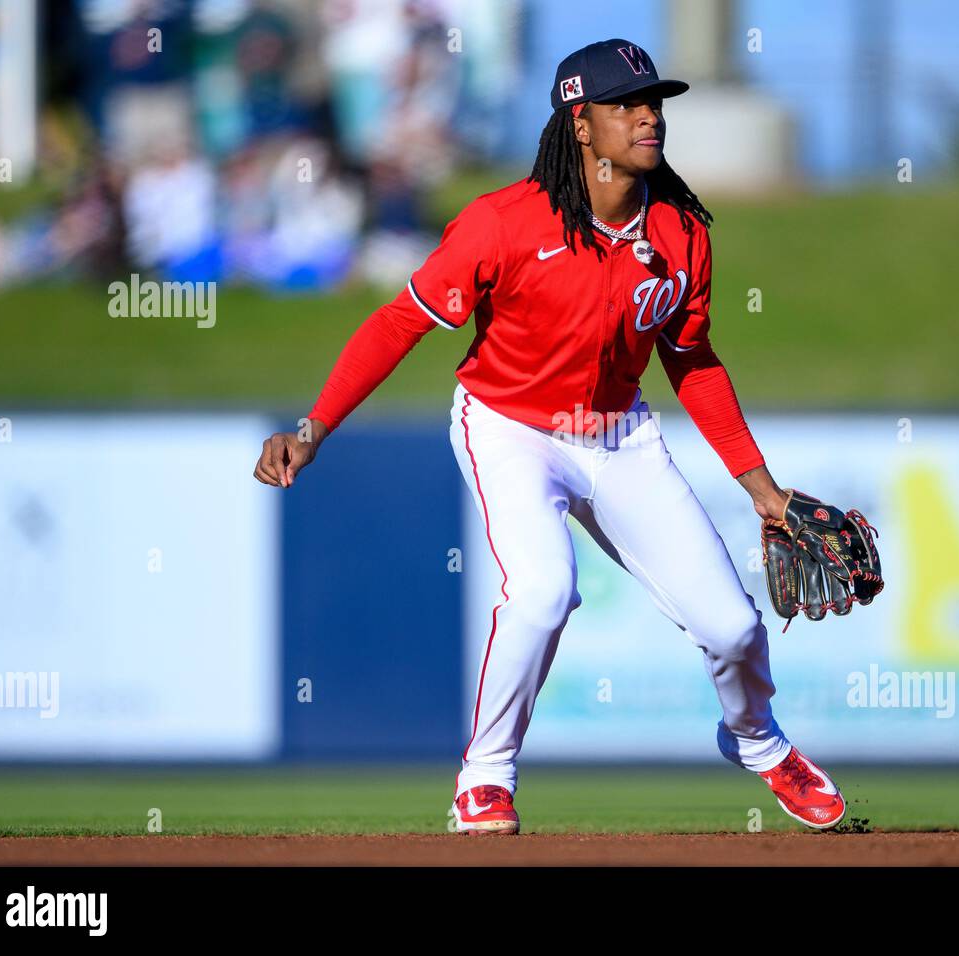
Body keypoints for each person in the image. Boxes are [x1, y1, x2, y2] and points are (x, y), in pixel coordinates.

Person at [253, 39, 849, 834]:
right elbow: (401, 321)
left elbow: (693, 361)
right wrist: (313, 427)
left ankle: (759, 742)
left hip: (620, 435)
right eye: (625, 104)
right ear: (580, 122)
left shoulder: (681, 233)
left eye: (654, 101)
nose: (647, 116)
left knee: (734, 627)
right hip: (509, 425)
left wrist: (761, 488)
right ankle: (485, 779)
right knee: (541, 591)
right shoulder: (502, 223)